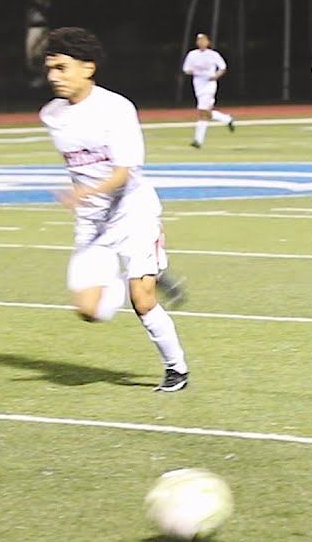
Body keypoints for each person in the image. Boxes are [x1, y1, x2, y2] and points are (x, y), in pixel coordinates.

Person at [41, 27, 191, 392]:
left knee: (143, 301)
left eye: (61, 68)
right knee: (89, 311)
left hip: (133, 214)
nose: (53, 76)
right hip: (92, 222)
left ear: (87, 68)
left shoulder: (116, 108)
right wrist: (84, 200)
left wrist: (84, 192)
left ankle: (177, 370)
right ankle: (142, 271)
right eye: (50, 68)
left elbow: (125, 172)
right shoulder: (52, 115)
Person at [181, 32, 235, 149]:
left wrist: (215, 76)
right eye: (199, 40)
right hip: (198, 84)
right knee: (207, 113)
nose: (201, 42)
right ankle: (227, 119)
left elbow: (223, 68)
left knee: (202, 112)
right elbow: (186, 69)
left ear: (208, 42)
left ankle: (198, 141)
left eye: (203, 40)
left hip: (209, 85)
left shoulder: (213, 55)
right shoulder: (192, 54)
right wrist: (193, 71)